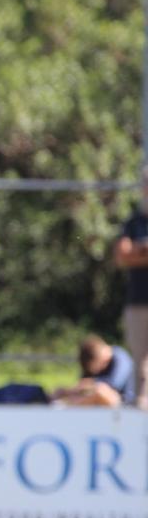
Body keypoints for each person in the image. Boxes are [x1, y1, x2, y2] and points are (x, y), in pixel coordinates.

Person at [113, 168, 148, 409]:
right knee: (140, 359)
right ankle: (141, 405)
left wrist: (140, 251)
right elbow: (122, 256)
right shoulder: (134, 222)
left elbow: (131, 253)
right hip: (138, 301)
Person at [51, 334, 134, 407]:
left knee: (100, 391)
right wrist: (70, 391)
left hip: (124, 403)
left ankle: (70, 408)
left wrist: (90, 383)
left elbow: (113, 384)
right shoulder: (94, 365)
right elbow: (83, 383)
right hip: (100, 402)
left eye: (95, 368)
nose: (96, 371)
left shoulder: (120, 357)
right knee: (63, 392)